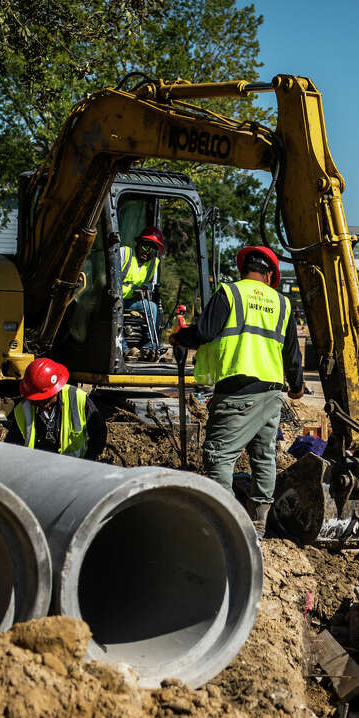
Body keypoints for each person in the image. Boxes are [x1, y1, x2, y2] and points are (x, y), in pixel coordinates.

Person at [173, 245, 304, 537]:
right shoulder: (282, 303)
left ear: (244, 268)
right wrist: (296, 386)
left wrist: (180, 336)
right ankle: (258, 524)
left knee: (219, 456)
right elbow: (292, 353)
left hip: (237, 390)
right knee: (263, 455)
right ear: (270, 275)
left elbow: (204, 332)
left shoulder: (230, 293)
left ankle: (228, 525)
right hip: (271, 393)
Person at [6, 357, 106, 460]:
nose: (36, 403)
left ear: (54, 392)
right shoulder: (23, 409)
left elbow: (99, 432)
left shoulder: (78, 399)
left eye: (41, 399)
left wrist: (88, 460)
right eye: (34, 399)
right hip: (36, 467)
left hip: (73, 467)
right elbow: (12, 446)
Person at [120, 226, 165, 359]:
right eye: (145, 247)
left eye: (152, 249)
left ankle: (151, 347)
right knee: (115, 307)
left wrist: (145, 290)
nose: (148, 252)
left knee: (152, 307)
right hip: (117, 298)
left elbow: (150, 285)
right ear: (139, 244)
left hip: (133, 301)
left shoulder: (153, 264)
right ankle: (123, 348)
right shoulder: (125, 253)